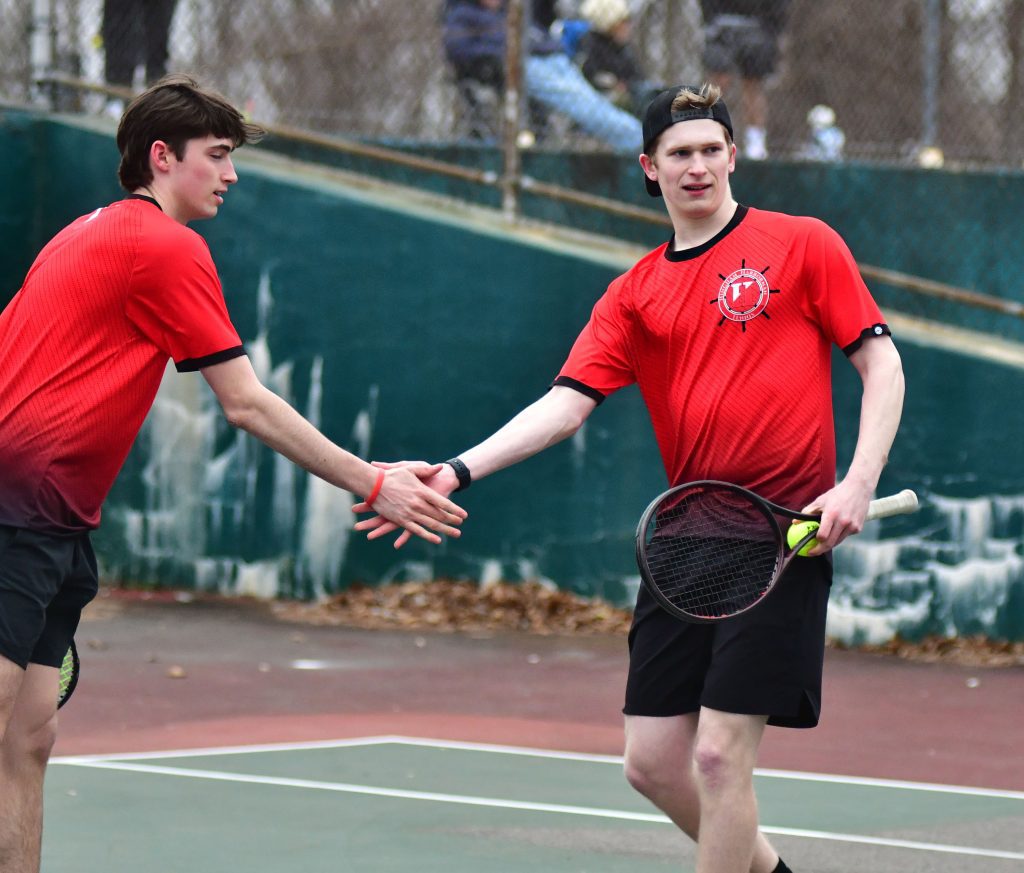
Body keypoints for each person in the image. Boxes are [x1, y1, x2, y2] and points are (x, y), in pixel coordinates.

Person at [356, 84, 905, 873]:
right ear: (650, 168)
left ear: (733, 156)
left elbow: (881, 362)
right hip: (684, 545)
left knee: (719, 758)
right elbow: (563, 406)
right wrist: (456, 469)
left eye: (711, 149)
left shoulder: (803, 243)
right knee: (650, 762)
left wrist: (856, 482)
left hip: (786, 536)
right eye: (679, 154)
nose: (698, 166)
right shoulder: (633, 294)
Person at [0, 75, 466, 873]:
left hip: (56, 521)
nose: (231, 173)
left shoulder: (84, 232)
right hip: (16, 512)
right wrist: (373, 479)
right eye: (216, 156)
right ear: (161, 157)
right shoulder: (165, 245)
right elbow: (245, 403)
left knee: (28, 736)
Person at [441, 0, 642, 151]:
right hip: (518, 64)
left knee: (590, 97)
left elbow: (540, 35)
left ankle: (634, 132)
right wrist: (501, 56)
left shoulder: (508, 13)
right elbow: (458, 50)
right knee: (576, 99)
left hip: (551, 58)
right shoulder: (463, 15)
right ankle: (635, 138)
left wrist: (552, 48)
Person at [700, 0, 791, 160]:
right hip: (722, 22)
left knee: (753, 84)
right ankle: (705, 132)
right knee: (718, 81)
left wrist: (774, 26)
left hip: (757, 25)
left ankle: (755, 143)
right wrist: (711, 17)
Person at [576, 0, 659, 115]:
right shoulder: (591, 45)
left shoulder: (621, 48)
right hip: (604, 103)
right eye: (623, 22)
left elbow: (637, 76)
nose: (628, 27)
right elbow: (591, 75)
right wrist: (614, 84)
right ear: (609, 25)